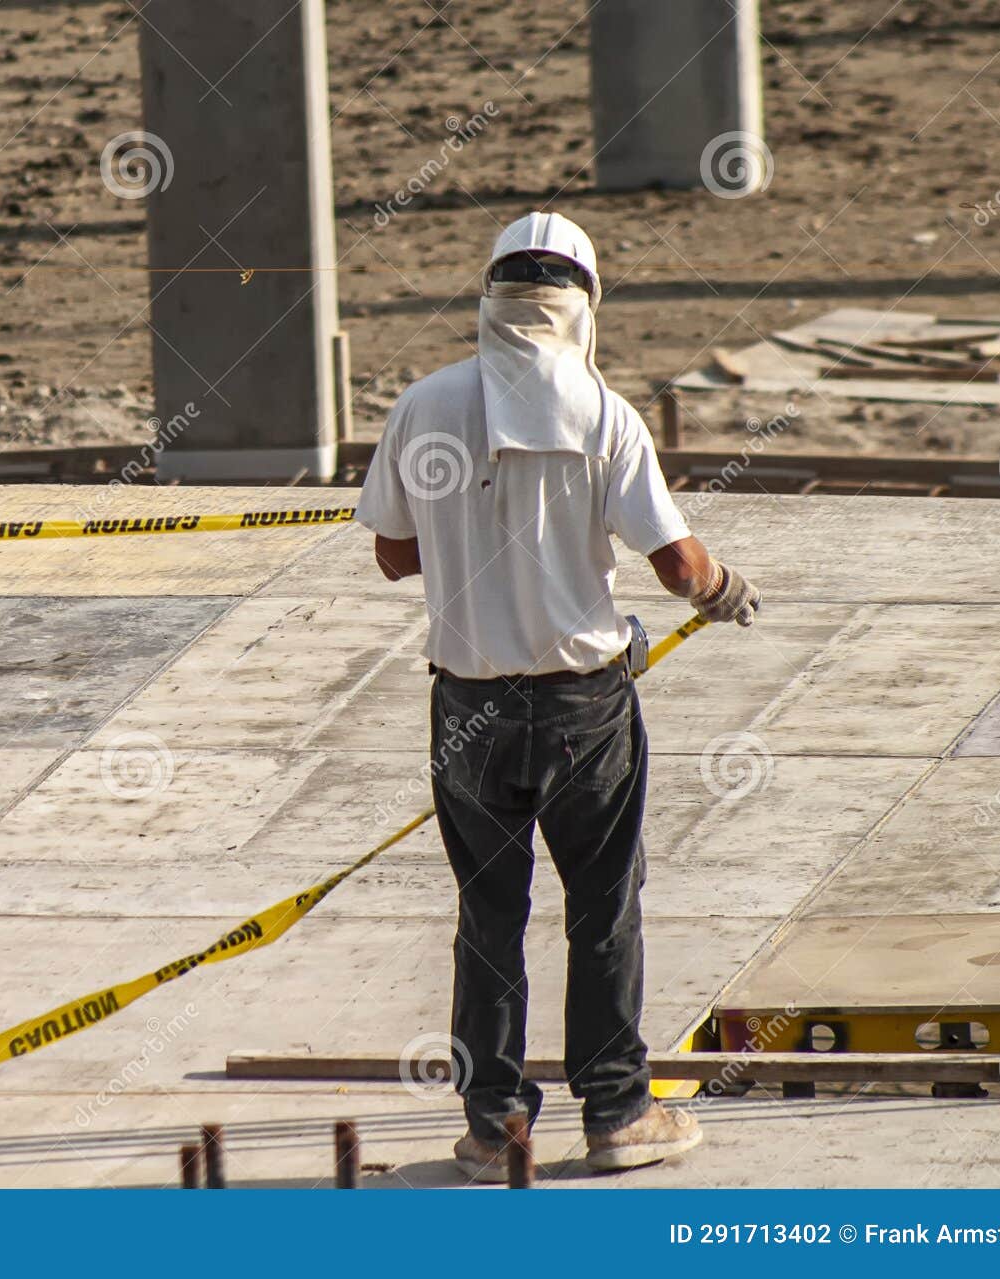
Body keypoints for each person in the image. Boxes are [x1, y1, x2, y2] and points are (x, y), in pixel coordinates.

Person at [354, 211, 759, 1183]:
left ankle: (494, 1127)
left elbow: (391, 554)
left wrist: (469, 529)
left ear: (491, 299)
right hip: (583, 708)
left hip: (468, 711)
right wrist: (722, 585)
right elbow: (674, 564)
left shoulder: (424, 404)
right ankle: (617, 1113)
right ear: (581, 303)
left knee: (488, 913)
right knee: (602, 906)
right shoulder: (601, 413)